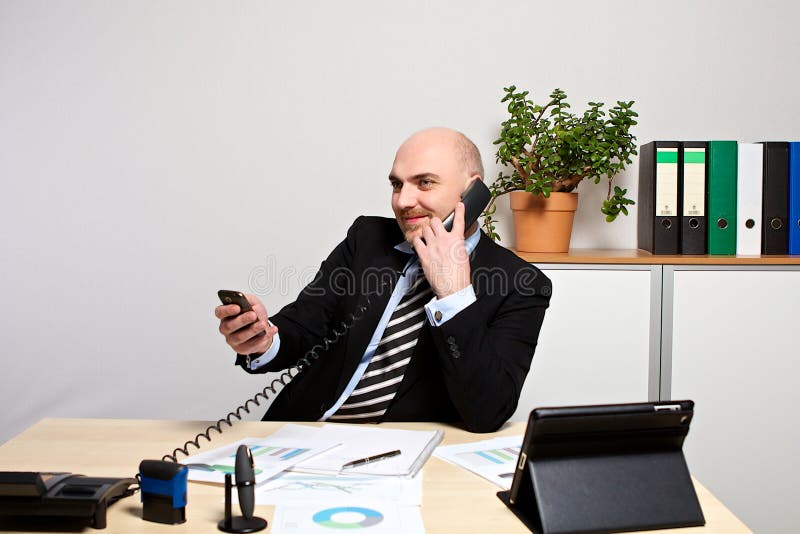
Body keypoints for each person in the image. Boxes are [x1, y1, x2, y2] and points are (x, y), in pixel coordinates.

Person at [215, 127, 551, 432]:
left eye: (425, 182)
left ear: (471, 192)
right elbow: (305, 324)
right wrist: (263, 339)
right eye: (396, 184)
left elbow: (489, 410)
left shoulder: (521, 283)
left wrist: (454, 295)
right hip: (307, 433)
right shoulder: (366, 239)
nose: (403, 201)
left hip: (406, 454)